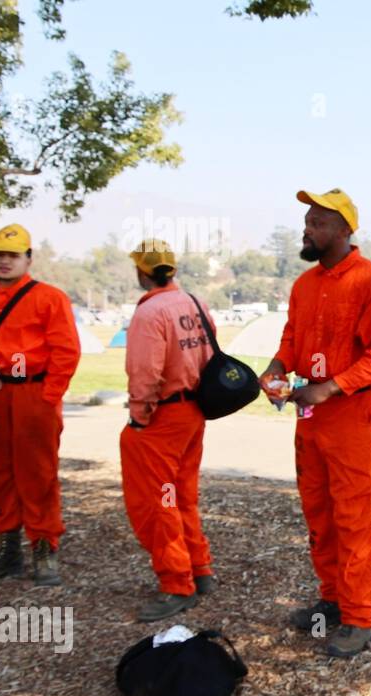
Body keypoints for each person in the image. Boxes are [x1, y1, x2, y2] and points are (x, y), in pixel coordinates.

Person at [259, 188, 371, 658]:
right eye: (307, 221)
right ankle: (333, 600)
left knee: (350, 513)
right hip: (309, 409)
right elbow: (291, 340)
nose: (308, 230)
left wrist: (331, 386)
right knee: (317, 510)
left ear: (344, 230)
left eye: (318, 222)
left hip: (350, 410)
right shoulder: (304, 286)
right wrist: (277, 369)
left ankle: (361, 614)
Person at [0, 224, 79, 586]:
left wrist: (49, 398)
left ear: (28, 259)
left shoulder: (48, 297)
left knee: (38, 474)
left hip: (35, 393)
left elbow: (66, 351)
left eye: (13, 255)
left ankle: (45, 548)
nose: (5, 261)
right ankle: (7, 550)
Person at [119, 240, 217, 621]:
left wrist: (139, 417)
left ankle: (177, 583)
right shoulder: (194, 303)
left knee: (158, 501)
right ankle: (200, 568)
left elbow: (145, 373)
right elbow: (208, 359)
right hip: (193, 411)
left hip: (163, 417)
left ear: (142, 271)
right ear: (171, 269)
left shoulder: (150, 312)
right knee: (182, 495)